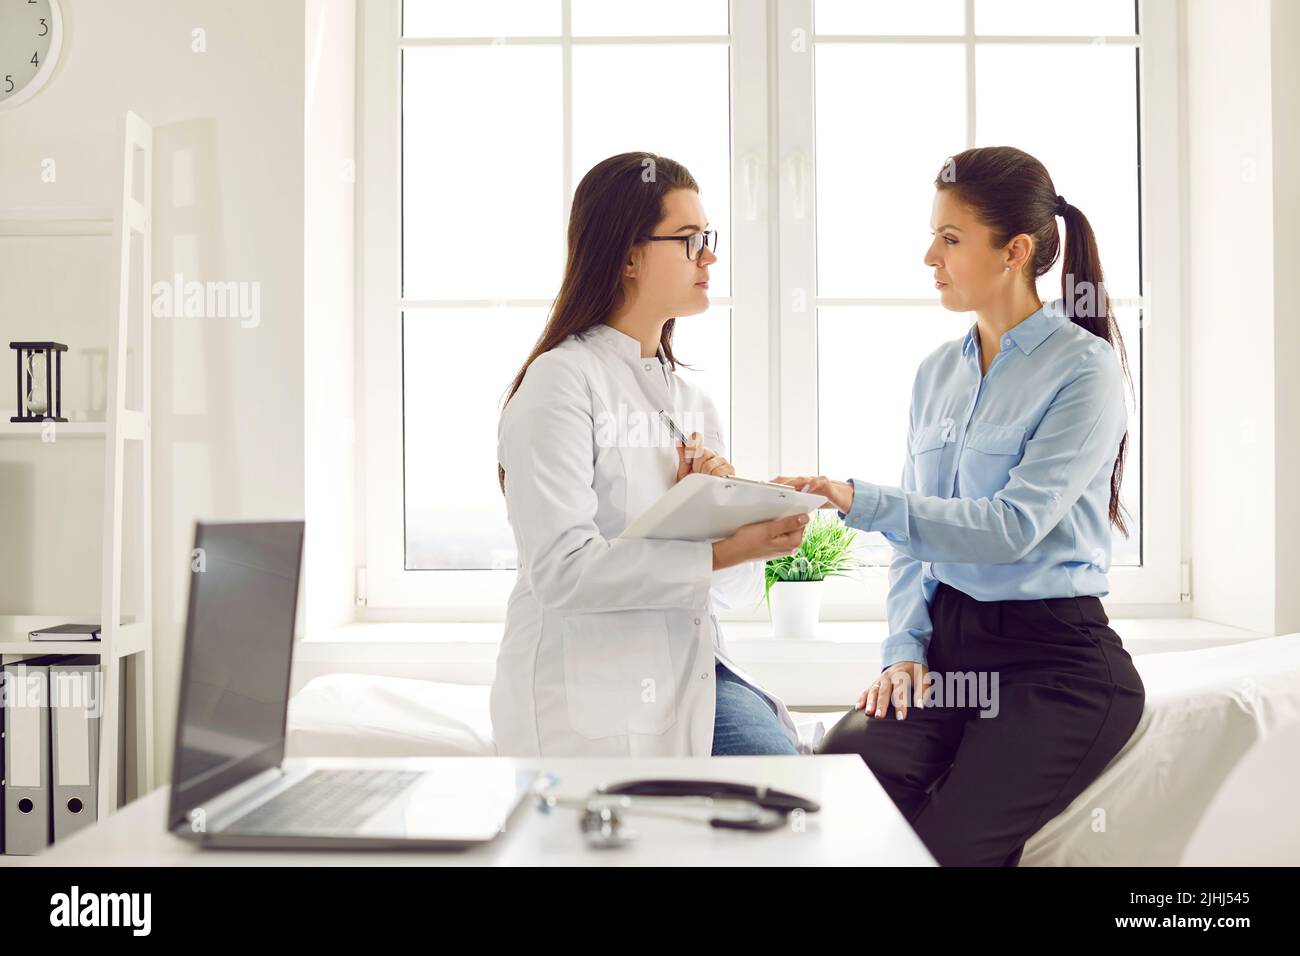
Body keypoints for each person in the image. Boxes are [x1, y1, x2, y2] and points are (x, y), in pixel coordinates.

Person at [774, 146, 1147, 866]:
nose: (929, 257)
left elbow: (1011, 529)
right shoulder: (936, 373)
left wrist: (859, 499)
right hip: (948, 655)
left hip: (1054, 665)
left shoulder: (1084, 370)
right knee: (839, 785)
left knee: (946, 848)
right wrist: (904, 650)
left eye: (950, 239)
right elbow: (918, 542)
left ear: (1015, 251)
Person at [492, 152, 807, 757]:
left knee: (793, 792)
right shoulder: (560, 382)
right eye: (690, 240)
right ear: (628, 256)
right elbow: (562, 571)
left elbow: (734, 595)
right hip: (591, 692)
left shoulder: (690, 402)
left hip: (695, 677)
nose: (709, 258)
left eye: (708, 238)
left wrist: (724, 512)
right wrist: (723, 547)